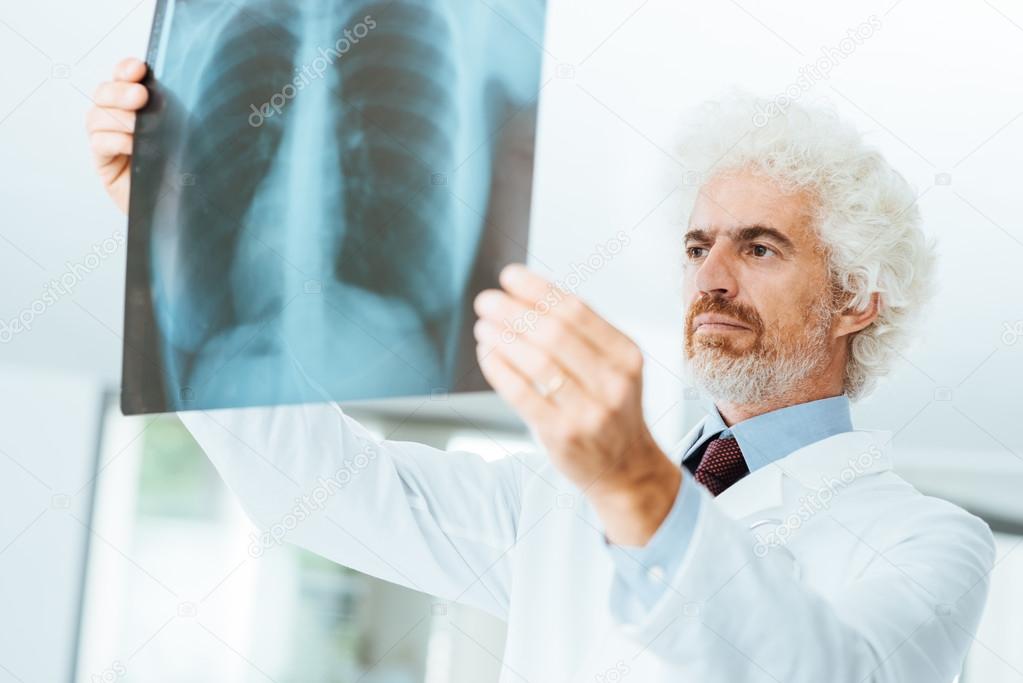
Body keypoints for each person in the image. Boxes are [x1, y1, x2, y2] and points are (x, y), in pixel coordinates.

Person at [87, 58, 994, 682]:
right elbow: (325, 487)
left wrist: (636, 480)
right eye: (696, 244)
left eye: (759, 247)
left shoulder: (929, 541)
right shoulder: (556, 501)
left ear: (855, 298)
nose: (710, 278)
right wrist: (182, 253)